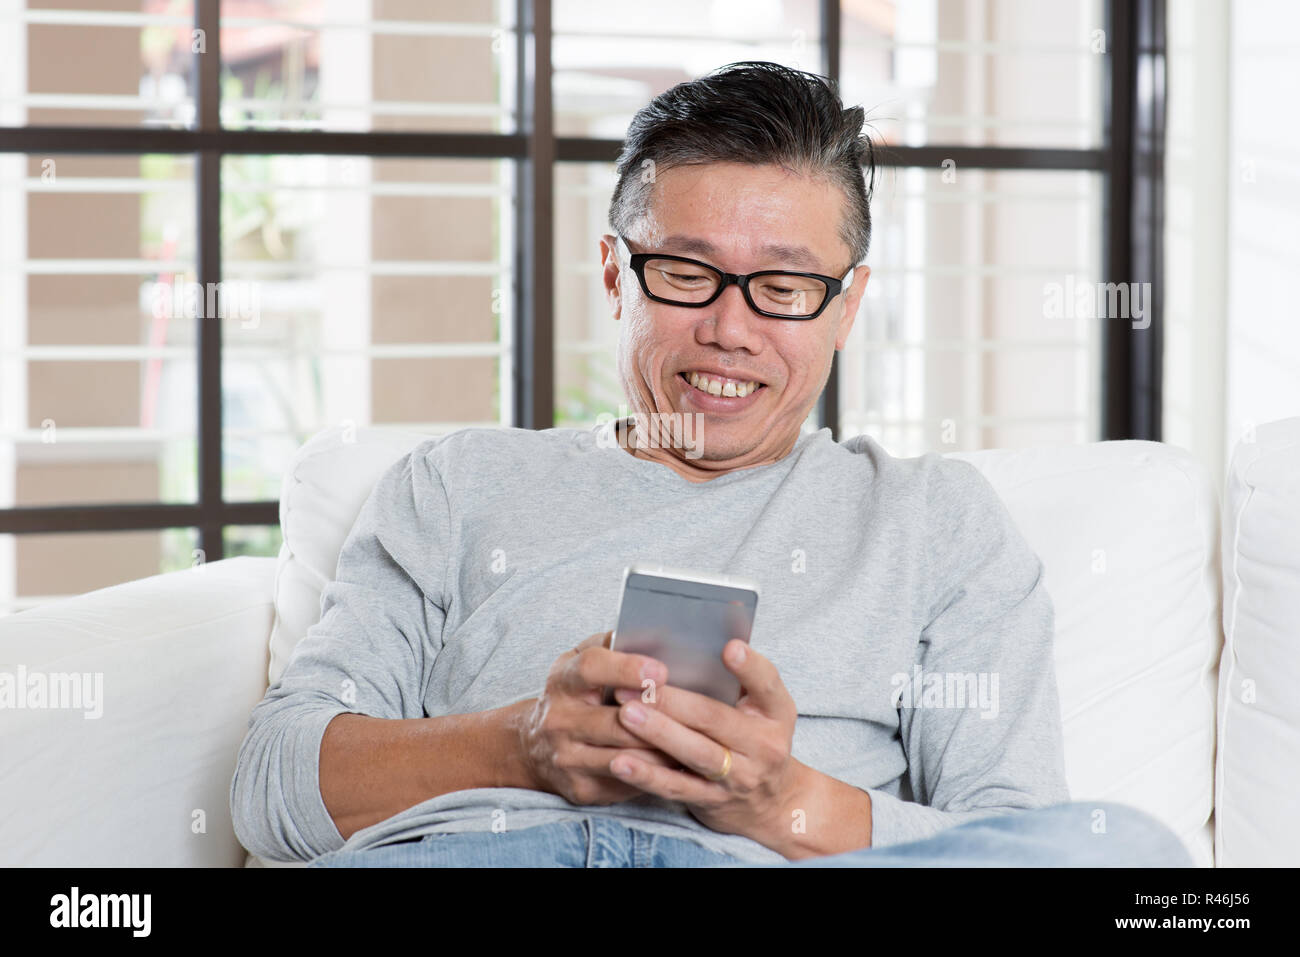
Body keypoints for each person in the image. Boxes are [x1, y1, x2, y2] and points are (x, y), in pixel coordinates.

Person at [230, 61, 1192, 869]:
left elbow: (1018, 838)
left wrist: (779, 803)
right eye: (687, 275)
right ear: (616, 272)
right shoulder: (455, 485)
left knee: (1134, 861)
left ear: (846, 306)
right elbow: (271, 790)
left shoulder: (933, 520)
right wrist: (524, 746)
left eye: (782, 286)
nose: (730, 331)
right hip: (490, 853)